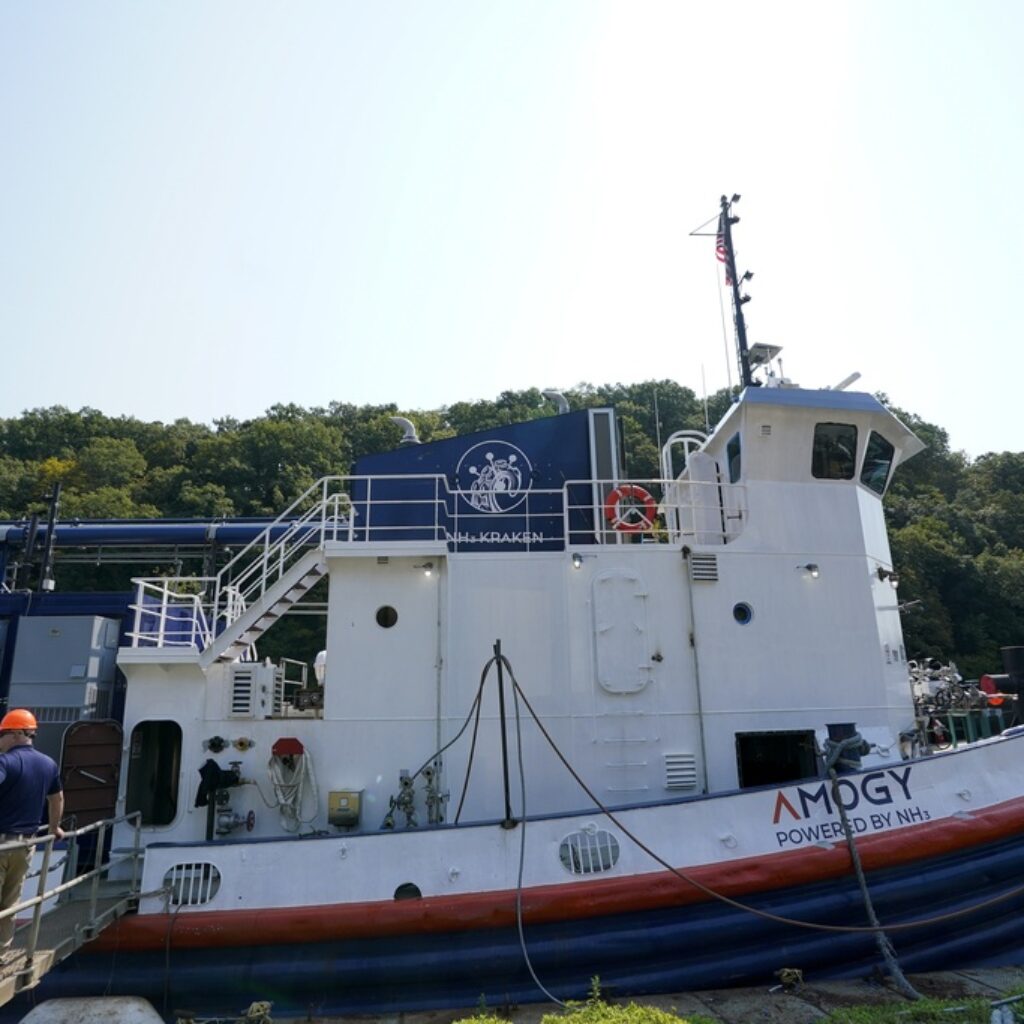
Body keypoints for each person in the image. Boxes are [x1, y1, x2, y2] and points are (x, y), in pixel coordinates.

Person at [0, 709, 64, 961]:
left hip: (1, 842)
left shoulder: (5, 762)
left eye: (2, 734)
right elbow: (57, 798)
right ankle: (2, 953)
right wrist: (54, 828)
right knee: (10, 901)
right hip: (27, 844)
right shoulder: (48, 764)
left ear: (16, 734)